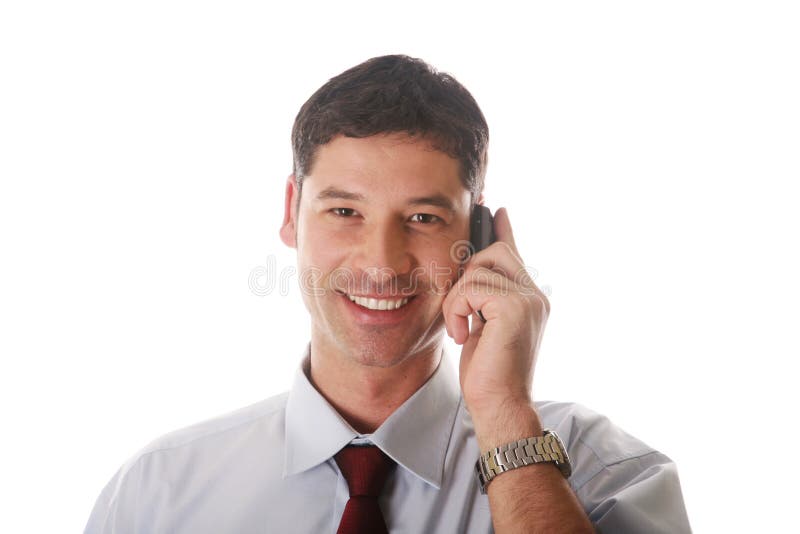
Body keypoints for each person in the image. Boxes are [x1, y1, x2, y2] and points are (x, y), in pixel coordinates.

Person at [85, 54, 691, 533]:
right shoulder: (156, 494)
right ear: (293, 212)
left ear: (479, 236)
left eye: (424, 218)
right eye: (345, 210)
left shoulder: (605, 476)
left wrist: (506, 417)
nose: (381, 264)